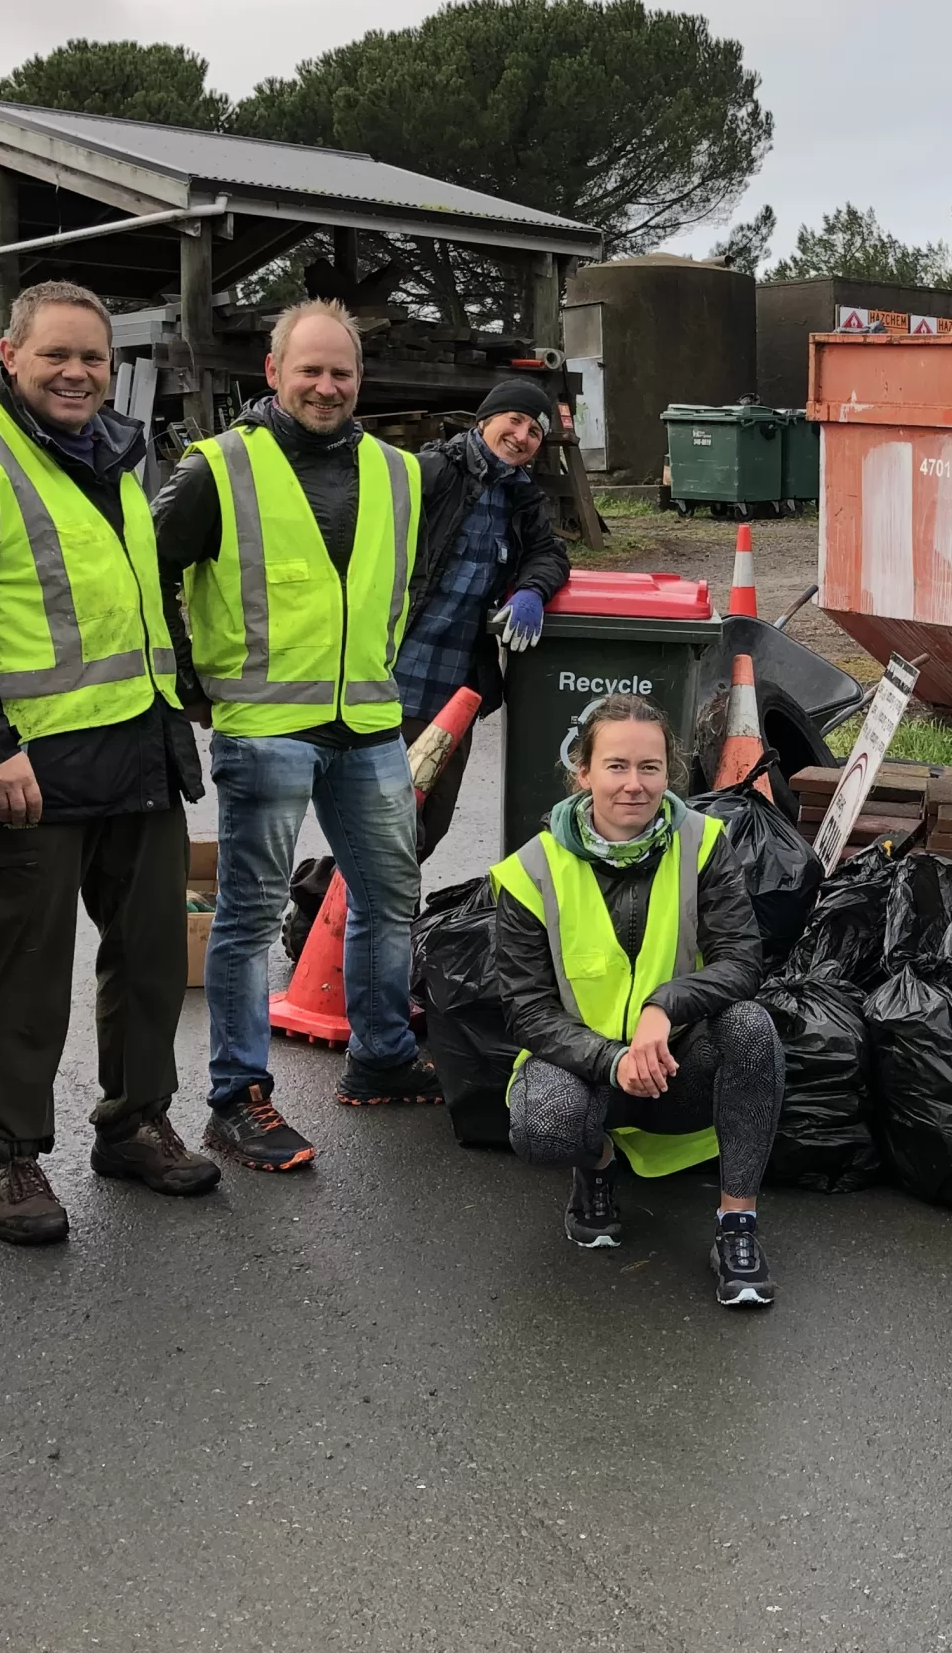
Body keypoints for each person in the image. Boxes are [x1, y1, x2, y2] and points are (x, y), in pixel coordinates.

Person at [0, 280, 219, 1244]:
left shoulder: (119, 455)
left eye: (93, 358)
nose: (77, 373)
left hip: (142, 753)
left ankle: (134, 1122)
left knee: (153, 958)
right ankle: (2, 1159)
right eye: (57, 356)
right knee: (22, 974)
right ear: (9, 355)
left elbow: (134, 601)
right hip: (28, 769)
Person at [153, 296, 436, 1173]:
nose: (325, 386)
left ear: (360, 380)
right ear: (271, 373)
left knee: (391, 897)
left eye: (340, 372)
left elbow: (398, 587)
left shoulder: (399, 472)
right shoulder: (216, 470)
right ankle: (237, 1099)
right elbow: (146, 573)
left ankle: (381, 1054)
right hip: (266, 724)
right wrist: (187, 683)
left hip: (368, 722)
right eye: (308, 370)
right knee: (247, 917)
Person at [493, 694, 781, 1308]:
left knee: (752, 1028)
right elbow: (526, 1010)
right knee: (543, 1120)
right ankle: (596, 1166)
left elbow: (741, 960)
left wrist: (665, 1006)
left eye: (650, 767)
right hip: (585, 1073)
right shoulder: (532, 871)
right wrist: (610, 1060)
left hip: (677, 1067)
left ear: (669, 773)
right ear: (584, 773)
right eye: (616, 766)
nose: (634, 785)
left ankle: (737, 1226)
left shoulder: (703, 843)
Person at [401, 379, 569, 860]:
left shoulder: (522, 497)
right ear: (485, 420)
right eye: (514, 420)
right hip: (395, 677)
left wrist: (532, 591)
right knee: (384, 826)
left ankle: (355, 919)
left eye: (535, 431)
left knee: (428, 826)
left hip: (458, 688)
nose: (522, 436)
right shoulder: (433, 471)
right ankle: (337, 922)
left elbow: (548, 554)